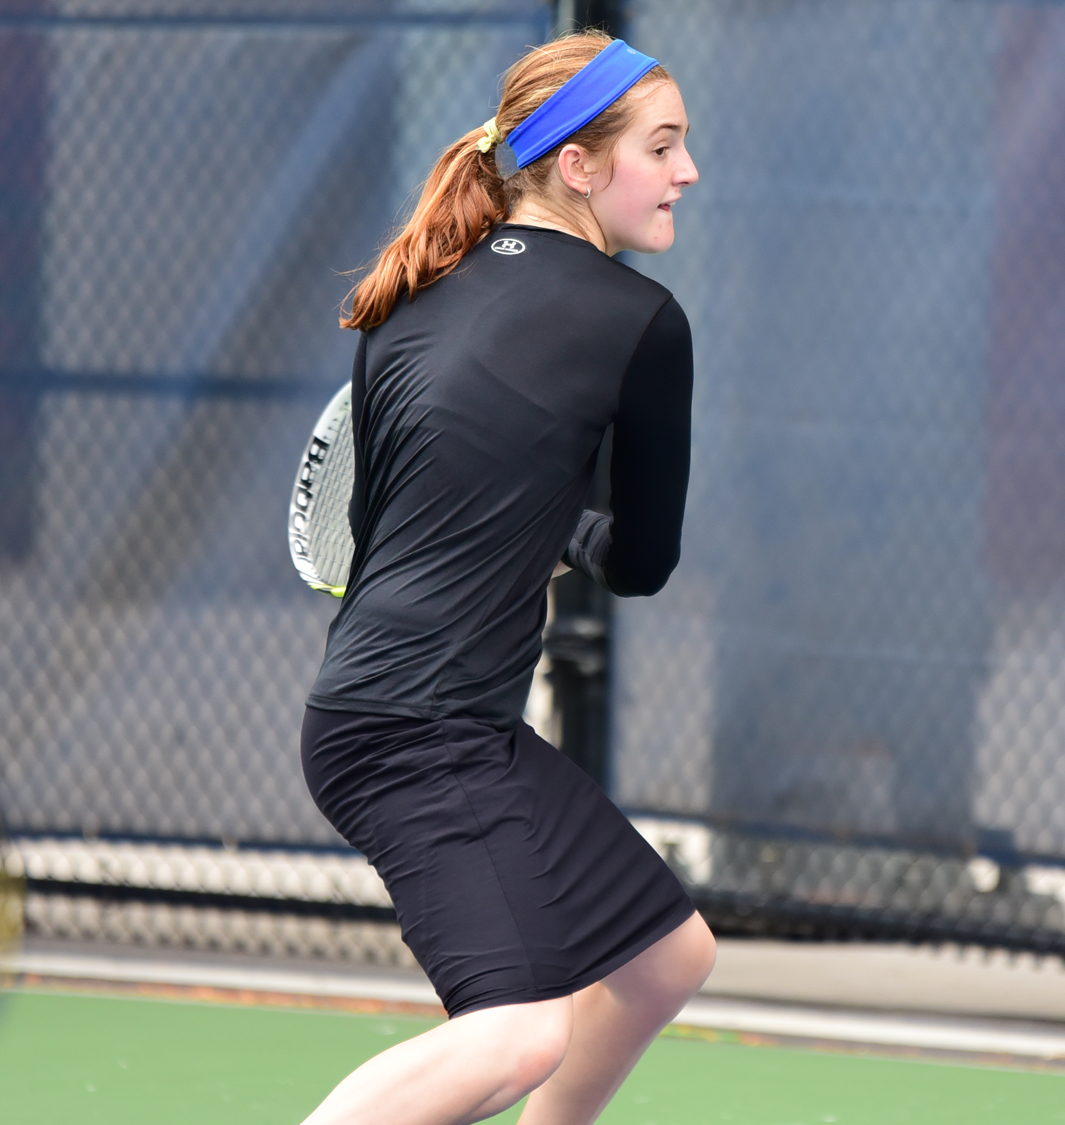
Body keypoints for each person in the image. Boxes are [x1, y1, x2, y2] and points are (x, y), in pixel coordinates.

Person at [297, 31, 711, 1125]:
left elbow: (384, 516)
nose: (686, 172)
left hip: (393, 716)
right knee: (519, 1031)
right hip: (417, 733)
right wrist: (573, 531)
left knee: (667, 957)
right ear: (577, 165)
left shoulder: (412, 297)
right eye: (661, 146)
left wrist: (540, 519)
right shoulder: (643, 324)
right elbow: (641, 563)